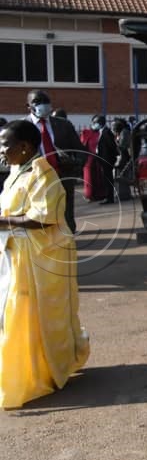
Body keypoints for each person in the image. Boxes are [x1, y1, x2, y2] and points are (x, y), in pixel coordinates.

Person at [0, 120, 89, 408]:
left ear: (25, 148)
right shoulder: (16, 172)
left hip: (41, 259)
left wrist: (3, 221)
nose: (2, 151)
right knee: (16, 314)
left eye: (6, 145)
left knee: (33, 316)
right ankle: (23, 368)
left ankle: (44, 371)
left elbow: (42, 218)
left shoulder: (43, 174)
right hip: (18, 255)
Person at [25, 90, 85, 233]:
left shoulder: (64, 125)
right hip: (35, 180)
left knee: (66, 215)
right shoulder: (22, 127)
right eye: (37, 102)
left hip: (62, 176)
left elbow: (81, 151)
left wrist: (75, 164)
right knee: (40, 215)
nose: (43, 105)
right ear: (28, 106)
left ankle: (68, 242)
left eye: (46, 102)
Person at [111, 118, 133, 202]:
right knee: (121, 175)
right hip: (124, 157)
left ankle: (124, 194)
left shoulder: (124, 133)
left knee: (122, 175)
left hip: (124, 157)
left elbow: (122, 146)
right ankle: (122, 194)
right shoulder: (123, 132)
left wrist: (115, 144)